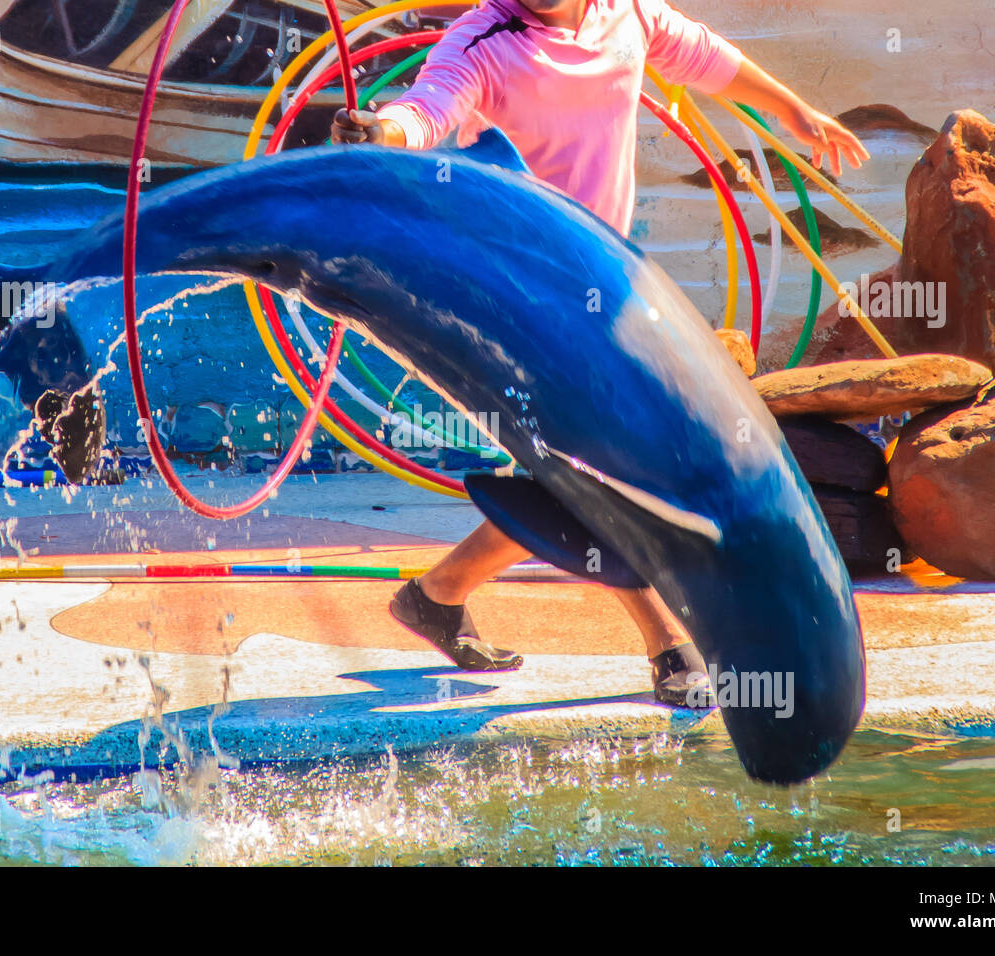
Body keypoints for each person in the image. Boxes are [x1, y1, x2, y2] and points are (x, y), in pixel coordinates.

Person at [330, 0, 869, 705]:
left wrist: (791, 111)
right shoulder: (484, 38)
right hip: (521, 292)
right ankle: (667, 644)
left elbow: (704, 56)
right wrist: (384, 131)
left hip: (604, 281)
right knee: (604, 464)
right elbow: (429, 107)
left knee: (573, 470)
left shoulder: (627, 14)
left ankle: (440, 592)